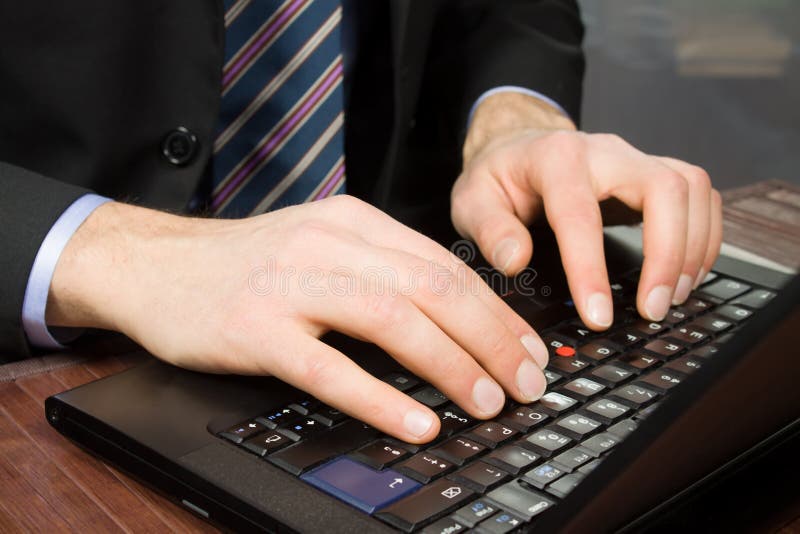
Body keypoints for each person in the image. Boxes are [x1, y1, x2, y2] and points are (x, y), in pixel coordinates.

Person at [0, 0, 721, 444]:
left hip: (405, 316)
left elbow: (514, 9)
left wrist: (512, 115)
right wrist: (122, 256)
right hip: (53, 368)